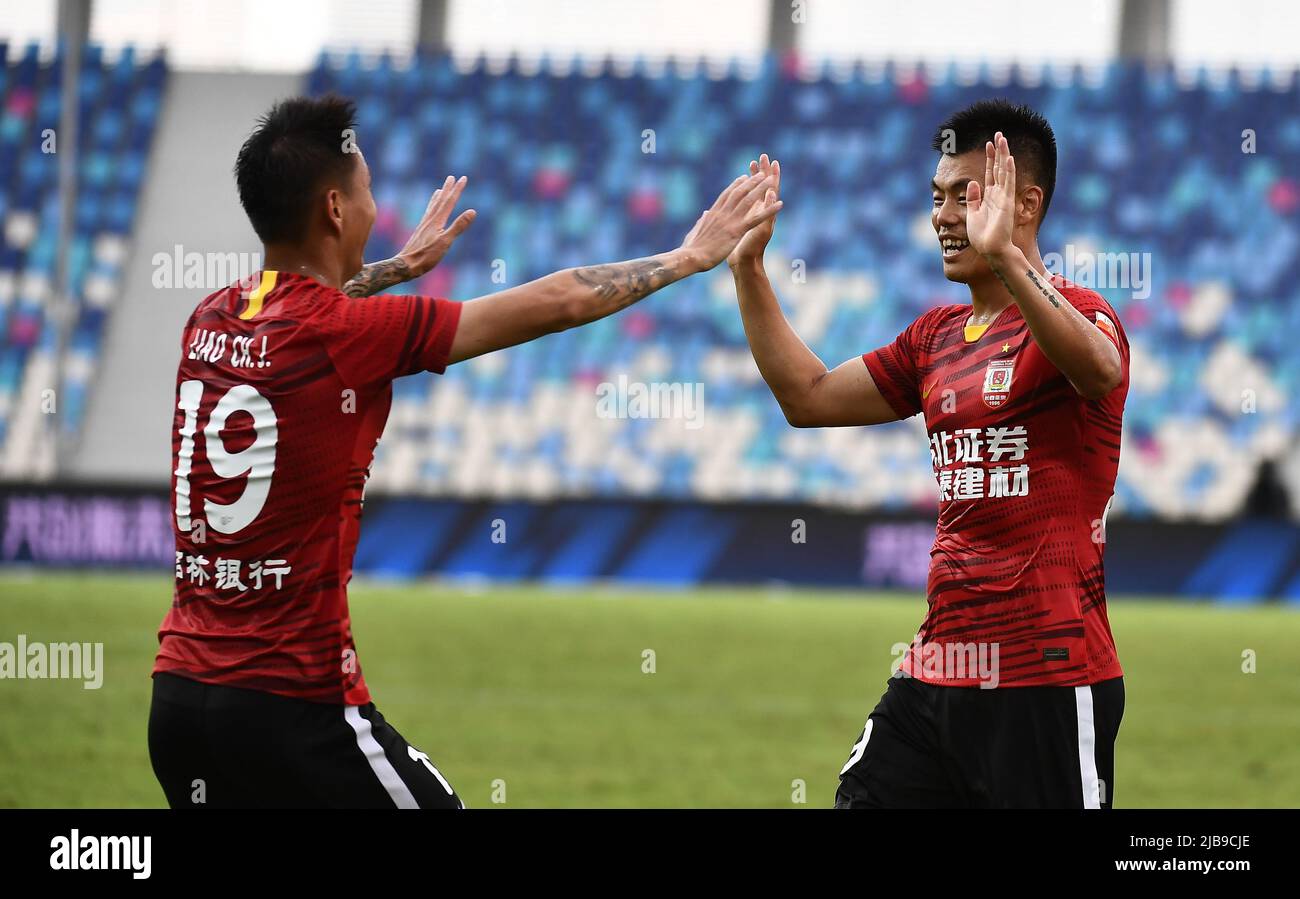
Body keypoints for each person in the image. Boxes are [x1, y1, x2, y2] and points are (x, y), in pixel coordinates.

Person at [148, 94, 780, 808]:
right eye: (367, 193)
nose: (373, 209)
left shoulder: (212, 317)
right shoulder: (351, 333)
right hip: (291, 704)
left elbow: (309, 307)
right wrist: (688, 255)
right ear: (333, 209)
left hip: (177, 703)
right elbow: (559, 301)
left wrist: (393, 267)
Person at [727, 99, 1128, 808]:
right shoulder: (934, 337)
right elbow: (808, 396)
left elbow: (1099, 370)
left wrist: (1005, 254)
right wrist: (749, 269)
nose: (943, 216)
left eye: (966, 197)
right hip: (936, 672)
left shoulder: (1082, 313)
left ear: (1025, 204)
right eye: (937, 197)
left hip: (1046, 676)